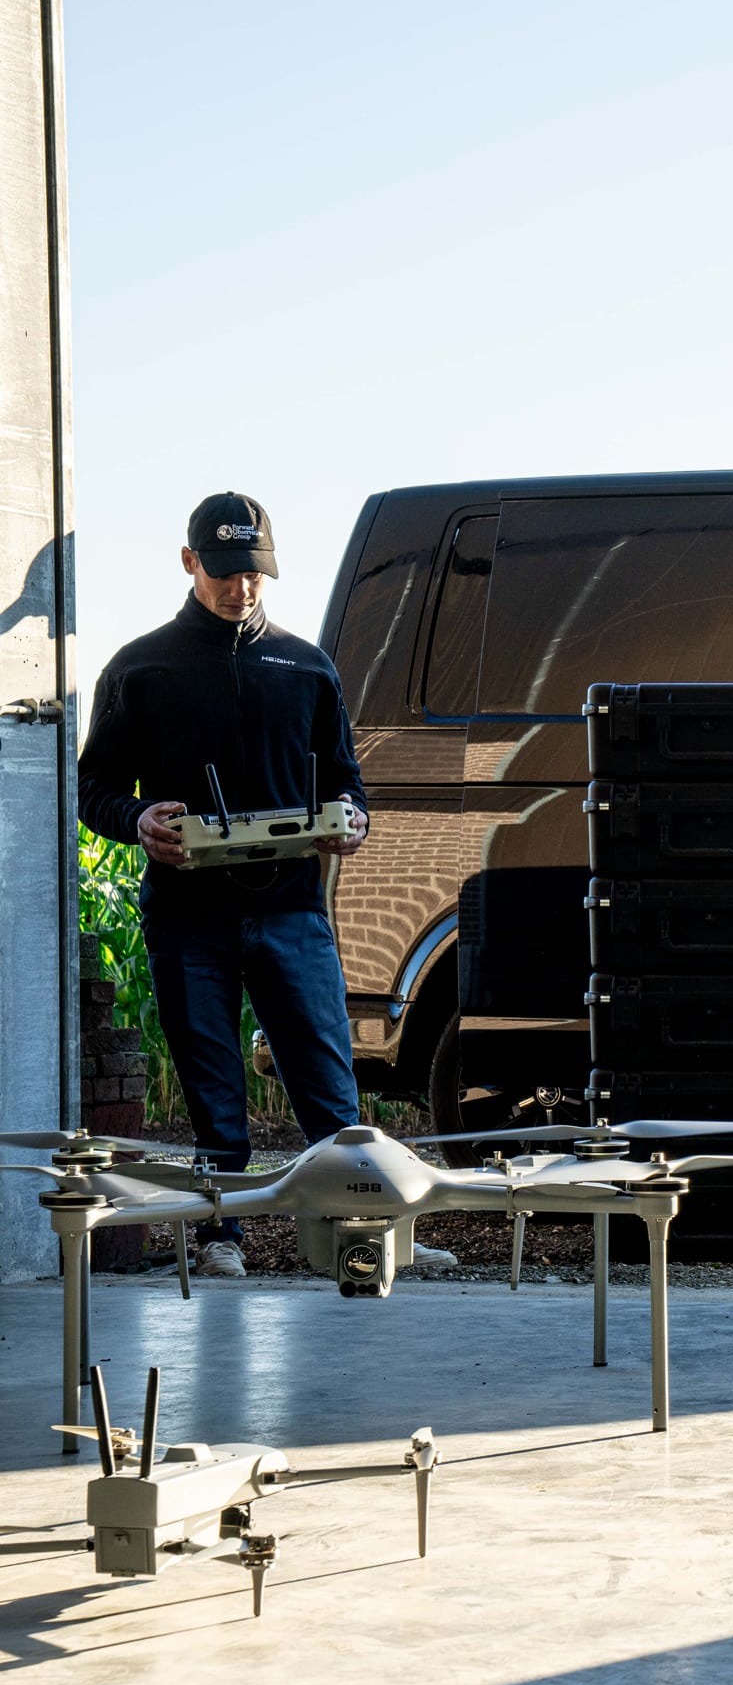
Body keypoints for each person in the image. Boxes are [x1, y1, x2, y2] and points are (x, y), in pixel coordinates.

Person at [77, 494, 455, 1277]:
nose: (240, 588)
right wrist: (138, 818)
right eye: (224, 572)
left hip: (291, 911)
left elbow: (348, 782)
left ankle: (364, 1229)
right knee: (212, 1089)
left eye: (254, 573)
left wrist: (352, 818)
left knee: (329, 1086)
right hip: (187, 919)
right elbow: (93, 790)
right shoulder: (140, 668)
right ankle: (221, 1238)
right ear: (189, 562)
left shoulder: (307, 667)